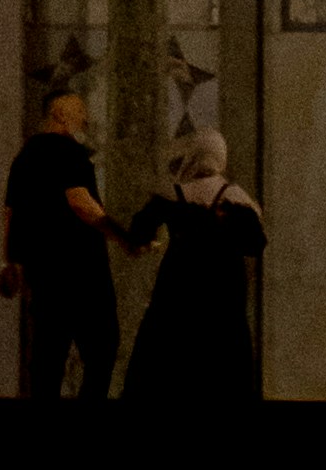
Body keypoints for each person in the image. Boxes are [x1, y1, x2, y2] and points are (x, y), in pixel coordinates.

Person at [114, 125, 267, 405]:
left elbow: (140, 230)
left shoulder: (172, 195)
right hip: (224, 293)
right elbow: (255, 244)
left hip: (179, 288)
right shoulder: (239, 199)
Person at [1, 77, 121, 401]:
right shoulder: (69, 152)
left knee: (47, 357)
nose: (85, 116)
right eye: (78, 109)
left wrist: (9, 261)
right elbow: (80, 202)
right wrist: (121, 236)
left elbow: (10, 213)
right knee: (102, 347)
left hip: (43, 274)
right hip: (82, 273)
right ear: (59, 113)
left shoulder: (24, 157)